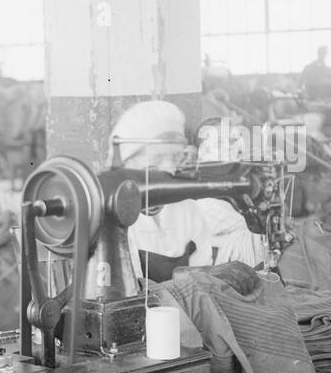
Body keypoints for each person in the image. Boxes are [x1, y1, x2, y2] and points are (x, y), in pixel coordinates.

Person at [111, 101, 266, 282]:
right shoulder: (116, 224)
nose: (169, 167)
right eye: (157, 158)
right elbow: (128, 296)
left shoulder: (187, 209)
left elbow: (202, 278)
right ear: (127, 163)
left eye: (176, 156)